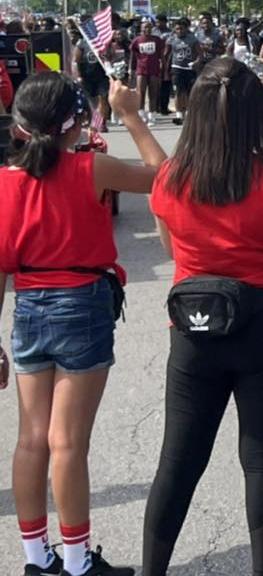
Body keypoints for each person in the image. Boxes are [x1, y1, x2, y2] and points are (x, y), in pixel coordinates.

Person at [142, 57, 263, 576]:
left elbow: (175, 254)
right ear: (258, 114)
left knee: (178, 463)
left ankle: (152, 570)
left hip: (193, 336)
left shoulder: (170, 180)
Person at [0, 74, 163, 576]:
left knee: (31, 438)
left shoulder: (5, 182)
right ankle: (76, 562)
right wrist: (132, 115)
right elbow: (163, 175)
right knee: (68, 441)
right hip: (82, 304)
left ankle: (36, 558)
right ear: (76, 125)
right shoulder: (94, 168)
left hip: (28, 306)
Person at [164, 20, 201, 127]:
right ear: (174, 29)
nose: (179, 31)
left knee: (190, 92)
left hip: (189, 69)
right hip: (177, 68)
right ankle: (179, 114)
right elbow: (166, 55)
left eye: (182, 29)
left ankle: (189, 113)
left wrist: (196, 62)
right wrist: (165, 67)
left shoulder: (192, 39)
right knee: (178, 92)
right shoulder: (171, 39)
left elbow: (200, 54)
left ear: (186, 29)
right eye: (177, 29)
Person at [127, 23, 164, 126]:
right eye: (145, 27)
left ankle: (152, 114)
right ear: (141, 28)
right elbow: (132, 56)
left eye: (149, 27)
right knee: (140, 92)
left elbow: (162, 55)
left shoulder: (157, 40)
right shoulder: (137, 40)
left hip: (154, 69)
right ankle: (141, 113)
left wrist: (163, 68)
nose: (147, 29)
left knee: (153, 92)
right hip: (141, 70)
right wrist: (130, 69)